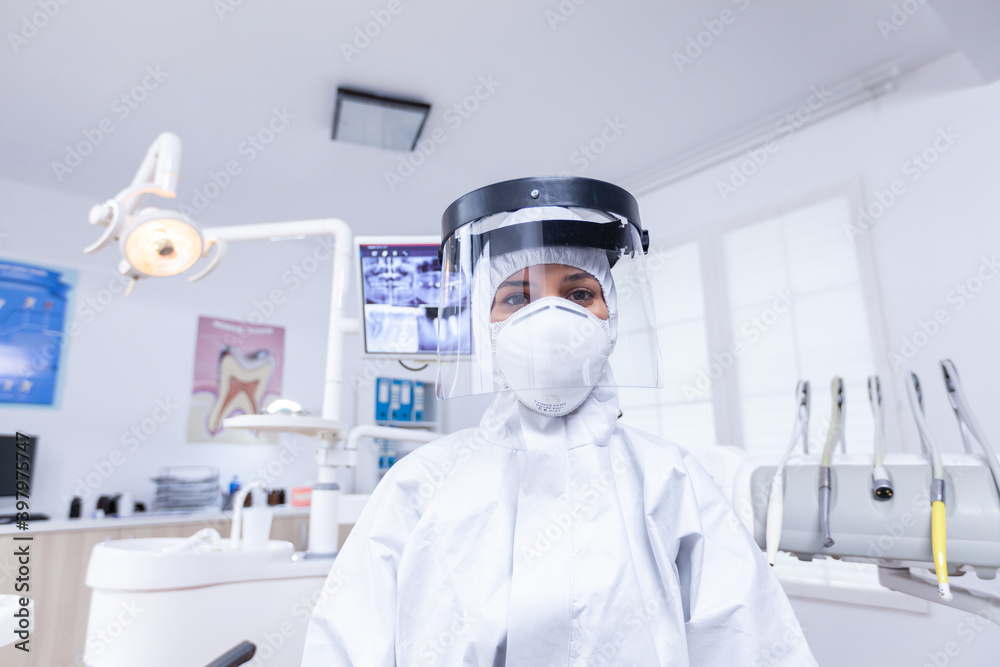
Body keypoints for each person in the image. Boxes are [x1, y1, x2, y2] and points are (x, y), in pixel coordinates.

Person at [301, 177, 817, 666]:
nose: (548, 320)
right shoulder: (418, 485)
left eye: (577, 295)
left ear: (610, 316)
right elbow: (345, 645)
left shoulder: (670, 480)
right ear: (484, 323)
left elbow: (750, 642)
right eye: (517, 298)